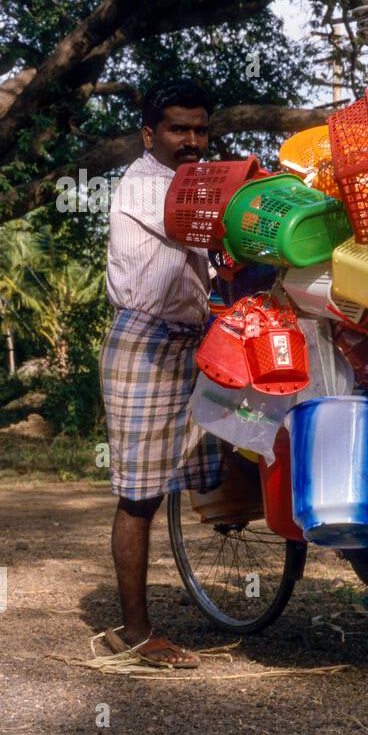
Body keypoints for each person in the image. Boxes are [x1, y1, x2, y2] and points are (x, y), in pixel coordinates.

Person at [97, 78, 224, 667]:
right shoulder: (148, 184)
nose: (192, 140)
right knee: (139, 494)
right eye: (179, 129)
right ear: (150, 135)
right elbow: (205, 224)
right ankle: (135, 632)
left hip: (189, 342)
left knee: (226, 454)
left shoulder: (193, 182)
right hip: (144, 344)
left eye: (200, 129)